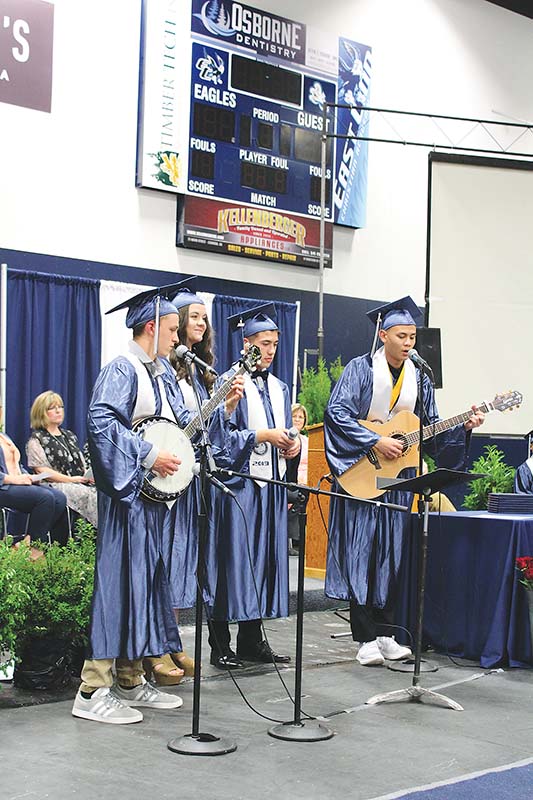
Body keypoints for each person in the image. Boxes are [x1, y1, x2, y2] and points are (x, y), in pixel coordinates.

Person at [324, 297, 484, 667]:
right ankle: (364, 637)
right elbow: (337, 414)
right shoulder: (360, 370)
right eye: (401, 336)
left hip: (400, 477)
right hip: (362, 473)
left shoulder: (420, 377)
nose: (409, 343)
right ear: (383, 336)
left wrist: (462, 427)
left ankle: (385, 633)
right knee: (363, 553)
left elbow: (431, 428)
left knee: (390, 553)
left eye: (412, 336)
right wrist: (374, 440)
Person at [71, 283, 199, 724]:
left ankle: (129, 678)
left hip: (151, 500)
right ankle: (91, 689)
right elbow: (101, 422)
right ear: (150, 327)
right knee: (117, 584)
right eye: (171, 329)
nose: (177, 337)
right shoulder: (122, 369)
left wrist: (220, 409)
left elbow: (181, 426)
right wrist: (147, 454)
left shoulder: (161, 373)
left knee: (142, 587)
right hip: (128, 496)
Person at [207, 303, 300, 669]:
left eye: (275, 344)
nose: (271, 351)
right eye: (264, 343)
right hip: (238, 487)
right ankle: (220, 645)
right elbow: (217, 440)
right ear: (246, 344)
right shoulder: (229, 382)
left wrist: (292, 444)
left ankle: (251, 641)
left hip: (270, 486)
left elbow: (285, 431)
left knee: (261, 564)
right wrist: (261, 435)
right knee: (231, 563)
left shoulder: (279, 387)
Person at [145, 286, 216, 685]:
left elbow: (200, 427)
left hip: (186, 479)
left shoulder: (198, 373)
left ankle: (171, 640)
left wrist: (225, 407)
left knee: (178, 565)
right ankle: (153, 647)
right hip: (160, 477)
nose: (201, 324)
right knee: (159, 564)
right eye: (194, 317)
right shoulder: (159, 370)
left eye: (205, 318)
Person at [26, 390, 97, 528]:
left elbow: (81, 464)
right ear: (41, 412)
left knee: (102, 493)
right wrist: (71, 480)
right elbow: (42, 472)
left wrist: (87, 476)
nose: (58, 411)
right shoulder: (36, 439)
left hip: (78, 481)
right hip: (53, 485)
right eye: (53, 408)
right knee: (84, 493)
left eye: (60, 407)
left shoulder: (69, 436)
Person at [0, 418, 68, 549]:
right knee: (44, 498)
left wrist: (29, 476)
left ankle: (29, 543)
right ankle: (35, 549)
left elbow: (16, 465)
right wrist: (13, 479)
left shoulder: (4, 436)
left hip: (16, 483)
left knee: (59, 498)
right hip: (4, 486)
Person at [286, 403, 309, 555]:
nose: (298, 419)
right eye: (294, 416)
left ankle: (303, 540)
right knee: (299, 494)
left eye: (301, 417)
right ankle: (292, 539)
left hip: (308, 480)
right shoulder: (285, 438)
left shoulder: (307, 440)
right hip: (291, 481)